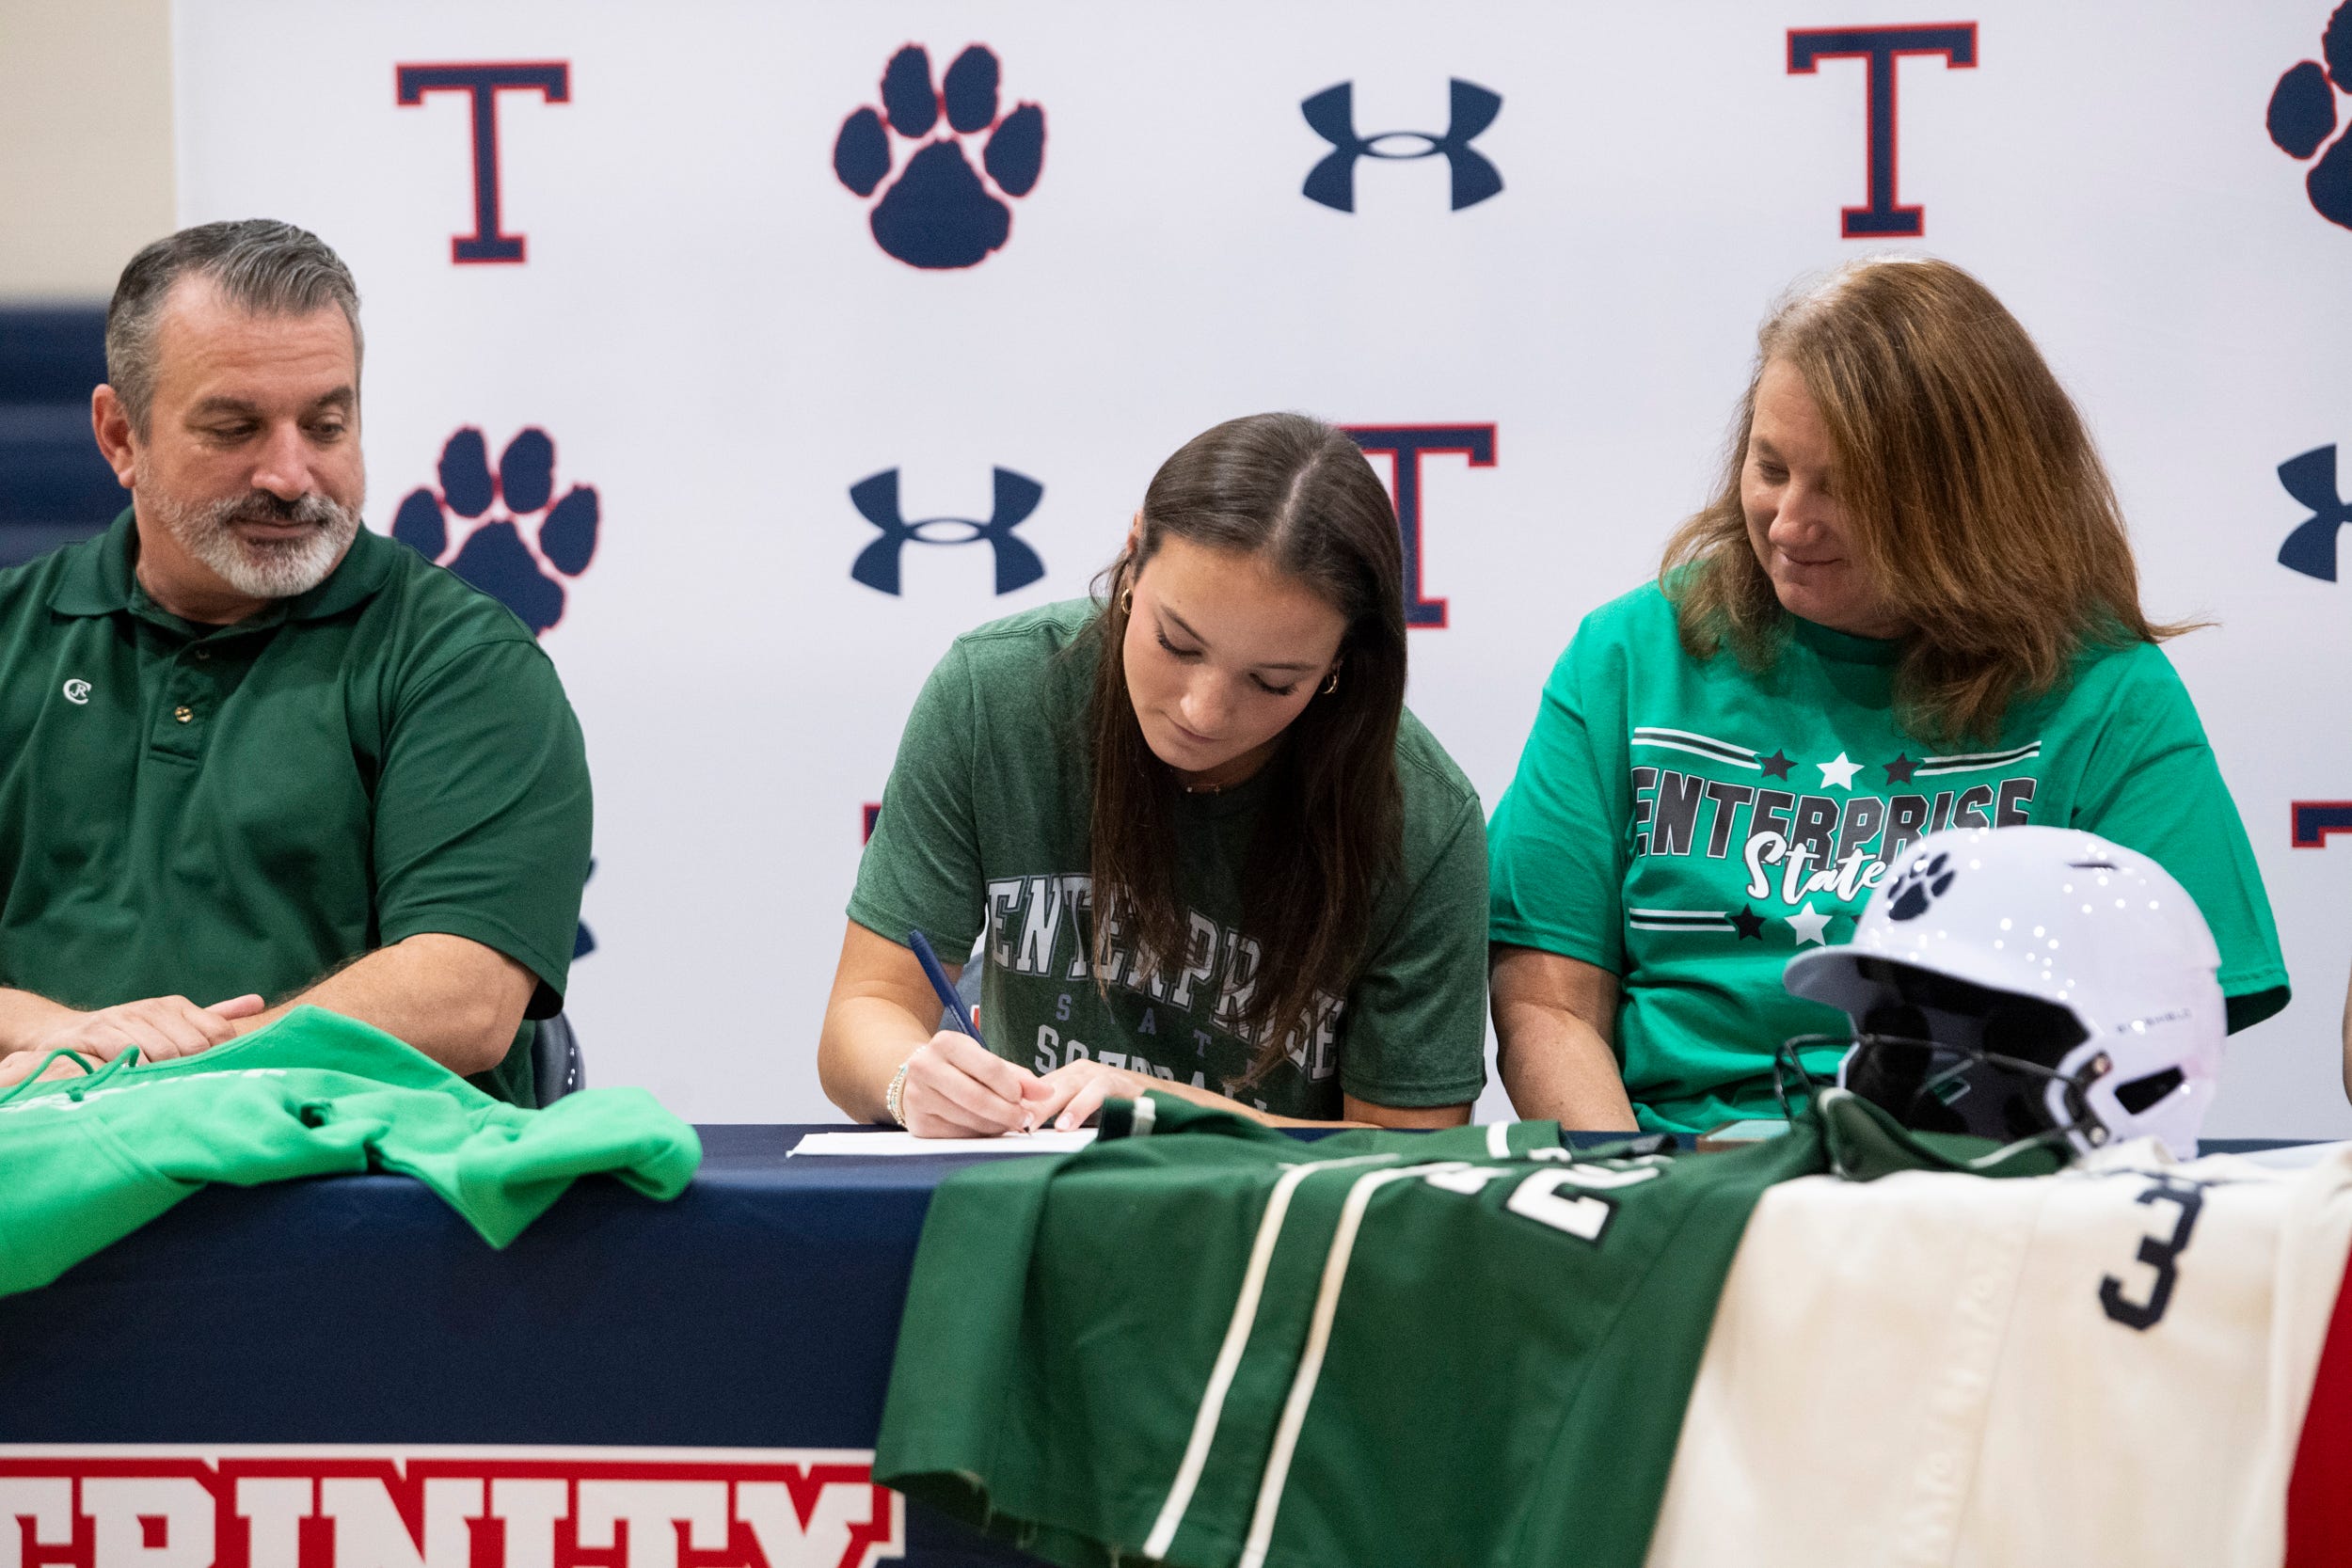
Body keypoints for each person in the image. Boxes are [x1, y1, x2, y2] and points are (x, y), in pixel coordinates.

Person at [1486, 255, 2288, 1135]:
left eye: (1843, 488)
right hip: (1677, 1190)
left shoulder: (2105, 691)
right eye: (1771, 467)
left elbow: (2163, 1033)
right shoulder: (1629, 656)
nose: (1790, 523)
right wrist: (1635, 1197)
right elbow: (1549, 1007)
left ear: (1967, 501)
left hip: (1982, 1195)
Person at [0, 219, 590, 1104]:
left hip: (355, 1207)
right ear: (121, 437)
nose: (290, 472)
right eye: (235, 428)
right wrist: (57, 1035)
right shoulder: (15, 636)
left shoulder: (462, 663)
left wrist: (148, 1067)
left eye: (326, 423)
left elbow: (464, 1000)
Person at [820, 412, 1487, 1135]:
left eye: (1272, 682)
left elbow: (1411, 1159)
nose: (1203, 710)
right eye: (1176, 642)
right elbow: (866, 1012)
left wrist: (1164, 1110)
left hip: (1278, 1235)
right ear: (1133, 555)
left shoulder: (1419, 816)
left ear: (1340, 664)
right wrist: (909, 1082)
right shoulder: (996, 695)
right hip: (1026, 1209)